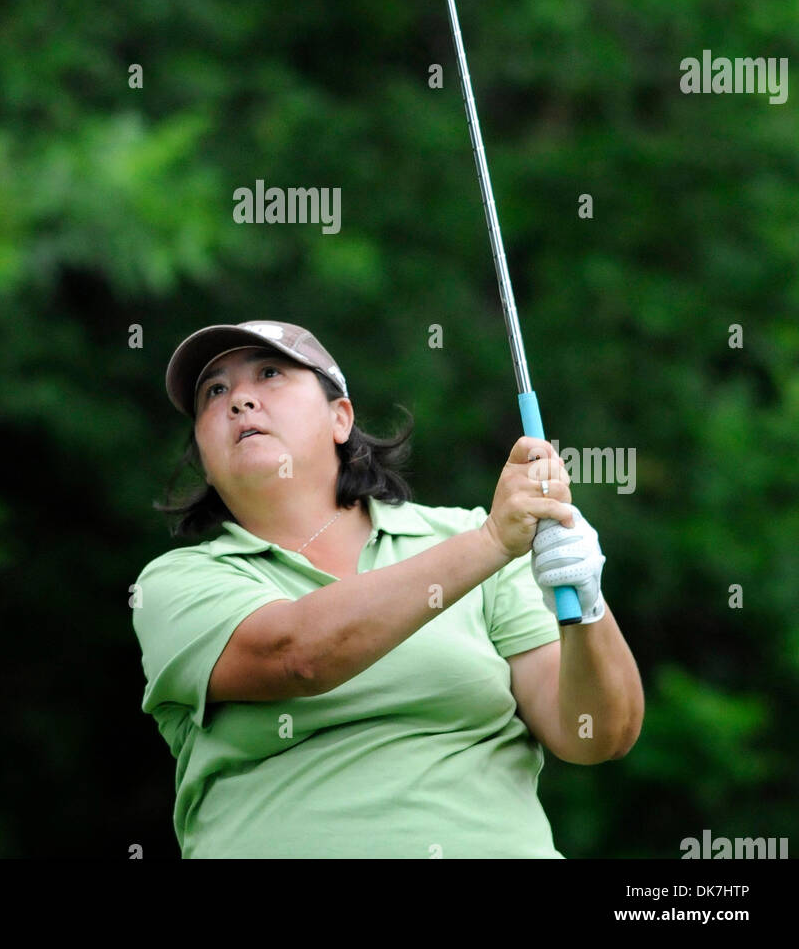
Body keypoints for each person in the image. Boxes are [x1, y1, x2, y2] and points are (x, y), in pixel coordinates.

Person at [131, 319, 644, 859]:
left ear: (340, 418)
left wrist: (585, 601)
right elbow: (295, 655)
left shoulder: (466, 538)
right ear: (206, 463)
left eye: (269, 374)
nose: (239, 401)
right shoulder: (176, 583)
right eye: (215, 391)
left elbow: (597, 736)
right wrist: (492, 542)